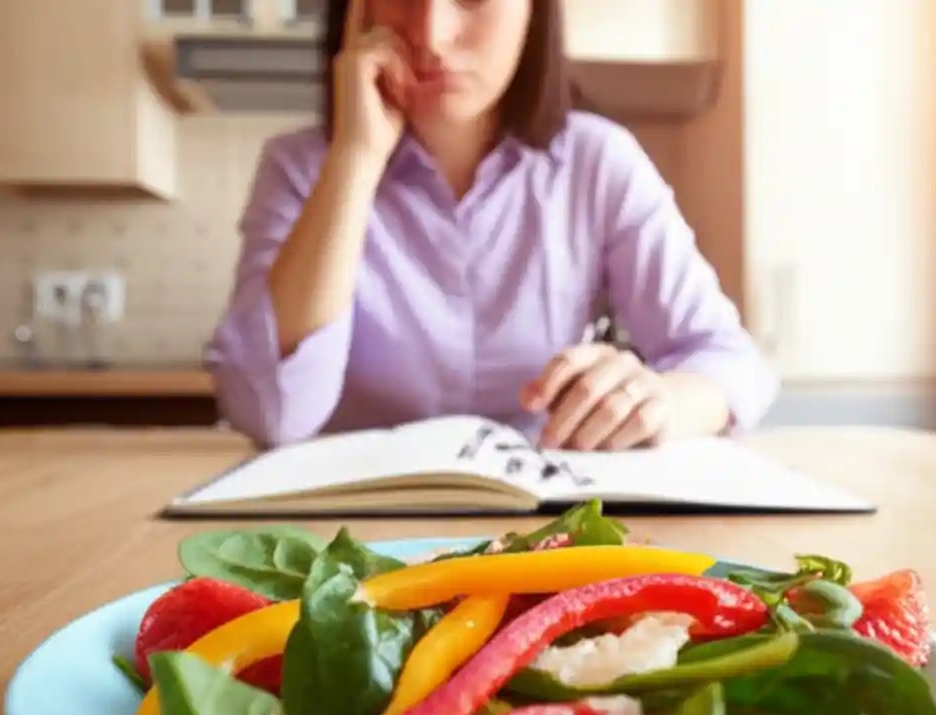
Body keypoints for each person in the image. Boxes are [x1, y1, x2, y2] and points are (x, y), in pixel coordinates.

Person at [206, 0, 778, 450]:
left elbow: (731, 364)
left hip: (544, 521)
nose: (430, 34)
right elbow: (276, 413)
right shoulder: (301, 168)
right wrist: (355, 159)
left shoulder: (597, 161)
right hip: (353, 535)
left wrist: (660, 400)